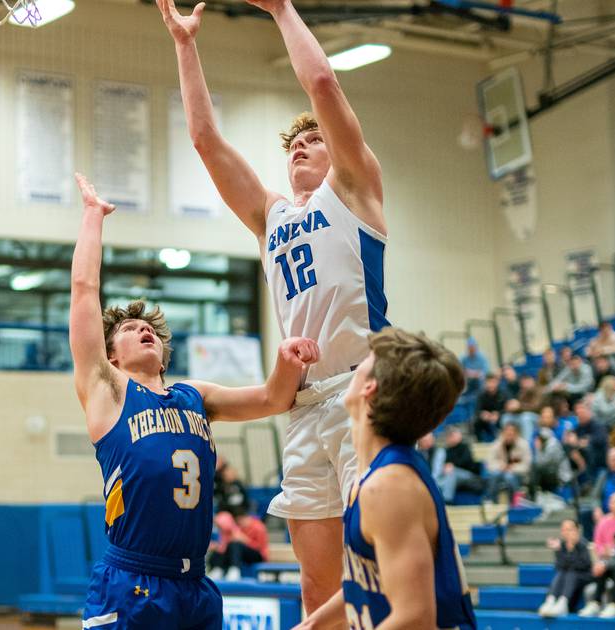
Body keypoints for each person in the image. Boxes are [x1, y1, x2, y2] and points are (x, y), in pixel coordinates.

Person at [160, 0, 391, 615]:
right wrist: (186, 45)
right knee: (316, 587)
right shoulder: (271, 219)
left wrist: (282, 9)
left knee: (373, 571)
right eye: (295, 143)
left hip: (362, 393)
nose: (302, 147)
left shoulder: (354, 189)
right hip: (304, 406)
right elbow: (205, 142)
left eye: (315, 140)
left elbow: (320, 82)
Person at [70, 174, 321, 629]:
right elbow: (85, 290)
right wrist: (93, 216)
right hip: (132, 581)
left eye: (148, 329)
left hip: (196, 587)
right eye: (128, 330)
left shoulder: (195, 396)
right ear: (110, 355)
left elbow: (273, 397)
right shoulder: (107, 389)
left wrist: (287, 360)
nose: (142, 330)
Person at [295, 328, 477, 629]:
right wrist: (312, 625)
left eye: (364, 362)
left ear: (369, 388)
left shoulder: (389, 486)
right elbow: (369, 582)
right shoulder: (375, 477)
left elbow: (415, 617)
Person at [539, 519, 593, 617]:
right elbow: (559, 566)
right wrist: (558, 551)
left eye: (570, 529)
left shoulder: (582, 544)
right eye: (564, 530)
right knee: (561, 573)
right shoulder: (561, 545)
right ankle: (550, 600)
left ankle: (563, 602)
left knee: (571, 572)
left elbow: (583, 565)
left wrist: (571, 550)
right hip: (567, 575)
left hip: (583, 576)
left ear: (577, 530)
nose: (567, 532)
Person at [208, 505, 268, 581]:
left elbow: (260, 547)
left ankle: (235, 570)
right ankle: (218, 569)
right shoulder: (238, 527)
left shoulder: (259, 527)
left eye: (241, 520)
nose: (240, 523)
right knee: (224, 547)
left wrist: (245, 540)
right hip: (243, 555)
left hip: (258, 556)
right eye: (238, 521)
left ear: (246, 517)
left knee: (235, 544)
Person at [484, 422, 530, 504]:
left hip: (518, 475)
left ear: (516, 434)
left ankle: (514, 503)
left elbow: (527, 466)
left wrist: (512, 468)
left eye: (512, 433)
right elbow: (489, 464)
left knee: (509, 477)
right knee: (495, 474)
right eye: (507, 433)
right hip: (500, 473)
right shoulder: (496, 444)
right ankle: (491, 501)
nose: (509, 435)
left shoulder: (524, 445)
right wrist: (501, 466)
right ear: (503, 433)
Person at [473, 374, 505, 442]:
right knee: (476, 421)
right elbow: (477, 410)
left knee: (506, 419)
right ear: (485, 383)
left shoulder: (503, 393)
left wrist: (498, 414)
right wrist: (482, 414)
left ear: (497, 382)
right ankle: (480, 441)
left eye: (493, 382)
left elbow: (507, 407)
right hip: (486, 418)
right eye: (488, 382)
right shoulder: (481, 394)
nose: (491, 384)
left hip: (500, 417)